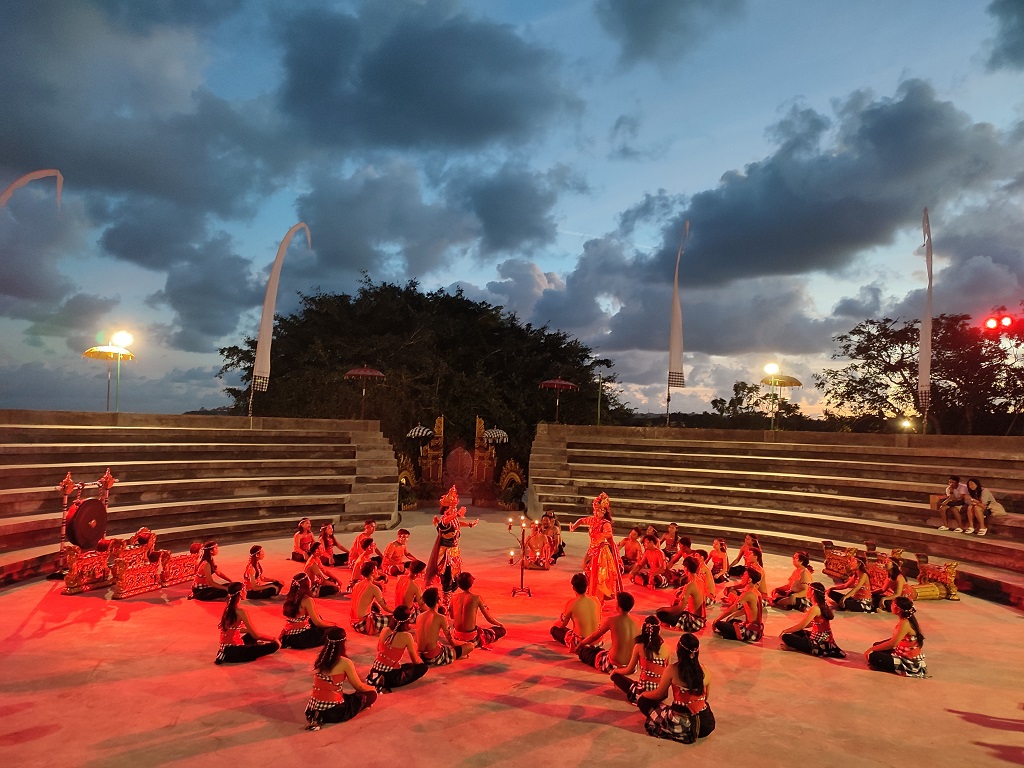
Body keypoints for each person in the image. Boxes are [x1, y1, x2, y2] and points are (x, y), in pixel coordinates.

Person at [637, 633, 715, 744]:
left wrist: (643, 695)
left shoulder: (672, 670)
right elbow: (706, 697)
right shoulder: (704, 670)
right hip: (707, 724)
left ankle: (678, 726)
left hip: (685, 725)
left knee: (645, 702)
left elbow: (659, 694)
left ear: (679, 650)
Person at [304, 627, 377, 730]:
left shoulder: (319, 658)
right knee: (370, 695)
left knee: (345, 696)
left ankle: (318, 716)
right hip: (334, 711)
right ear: (343, 642)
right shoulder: (345, 662)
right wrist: (371, 688)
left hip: (313, 708)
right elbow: (358, 686)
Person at [424, 487, 479, 607]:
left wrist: (470, 524)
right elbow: (446, 522)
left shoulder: (453, 519)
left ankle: (449, 599)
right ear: (446, 509)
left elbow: (458, 524)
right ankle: (445, 603)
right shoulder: (445, 520)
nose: (454, 510)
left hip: (454, 552)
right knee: (447, 578)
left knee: (455, 578)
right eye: (452, 508)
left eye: (455, 508)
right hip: (446, 554)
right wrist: (457, 514)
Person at [569, 492, 623, 602]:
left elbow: (608, 534)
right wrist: (573, 527)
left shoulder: (605, 523)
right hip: (593, 549)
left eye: (599, 510)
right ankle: (591, 594)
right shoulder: (592, 520)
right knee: (586, 568)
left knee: (599, 576)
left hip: (602, 551)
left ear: (604, 511)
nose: (596, 512)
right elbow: (581, 520)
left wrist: (599, 537)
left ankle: (598, 599)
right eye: (595, 510)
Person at [365, 606, 428, 693]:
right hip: (389, 676)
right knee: (422, 667)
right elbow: (415, 660)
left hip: (375, 670)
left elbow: (378, 648)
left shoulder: (385, 630)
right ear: (407, 620)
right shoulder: (407, 636)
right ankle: (385, 681)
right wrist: (420, 658)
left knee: (405, 666)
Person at [214, 582, 280, 664]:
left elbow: (232, 629)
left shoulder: (228, 609)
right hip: (234, 652)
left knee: (250, 636)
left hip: (225, 649)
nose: (246, 592)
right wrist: (273, 639)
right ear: (241, 593)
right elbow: (255, 635)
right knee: (274, 645)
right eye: (245, 590)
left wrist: (248, 631)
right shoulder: (240, 612)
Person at [611, 616, 670, 704]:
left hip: (643, 692)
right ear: (658, 630)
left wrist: (615, 670)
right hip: (661, 693)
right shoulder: (667, 648)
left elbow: (629, 670)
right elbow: (666, 673)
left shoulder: (639, 647)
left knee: (615, 676)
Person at [779, 582, 846, 658]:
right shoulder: (822, 605)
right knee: (797, 632)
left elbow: (802, 625)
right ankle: (797, 646)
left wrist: (785, 631)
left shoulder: (815, 608)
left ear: (813, 592)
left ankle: (797, 648)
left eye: (808, 590)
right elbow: (810, 624)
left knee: (786, 637)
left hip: (819, 644)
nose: (806, 592)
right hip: (822, 639)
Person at [576, 592, 639, 673]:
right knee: (598, 650)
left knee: (584, 651)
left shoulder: (611, 621)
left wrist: (580, 644)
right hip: (632, 667)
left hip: (612, 665)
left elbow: (594, 636)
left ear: (618, 605)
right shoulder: (638, 622)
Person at [865, 597, 928, 678]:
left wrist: (870, 650)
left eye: (893, 604)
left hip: (908, 661)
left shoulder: (905, 623)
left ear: (898, 609)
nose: (891, 605)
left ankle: (888, 666)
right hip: (901, 652)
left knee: (873, 656)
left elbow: (893, 644)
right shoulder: (907, 620)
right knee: (876, 645)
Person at [416, 587, 473, 666]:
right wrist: (464, 644)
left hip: (420, 656)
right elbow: (452, 642)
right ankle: (456, 655)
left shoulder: (420, 616)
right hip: (433, 657)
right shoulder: (440, 617)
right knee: (470, 646)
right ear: (439, 600)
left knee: (441, 645)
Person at [280, 573, 337, 649]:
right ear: (306, 584)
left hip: (288, 636)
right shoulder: (307, 600)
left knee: (315, 619)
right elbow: (317, 622)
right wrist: (332, 624)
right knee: (335, 631)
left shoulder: (290, 597)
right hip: (301, 638)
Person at [451, 572, 506, 648]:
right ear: (471, 583)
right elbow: (488, 618)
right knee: (501, 631)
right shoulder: (476, 598)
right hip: (470, 638)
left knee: (479, 629)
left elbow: (452, 616)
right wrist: (500, 624)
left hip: (457, 635)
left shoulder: (453, 597)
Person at [550, 572, 600, 652]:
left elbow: (562, 625)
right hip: (598, 641)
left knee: (554, 629)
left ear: (573, 588)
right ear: (587, 586)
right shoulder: (596, 600)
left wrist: (556, 624)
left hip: (581, 642)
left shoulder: (571, 603)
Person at [712, 568, 764, 643]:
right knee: (731, 620)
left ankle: (733, 635)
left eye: (744, 575)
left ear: (749, 580)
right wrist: (734, 615)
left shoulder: (748, 593)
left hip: (752, 632)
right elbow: (749, 609)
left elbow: (732, 609)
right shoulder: (756, 592)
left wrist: (716, 620)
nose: (742, 577)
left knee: (718, 624)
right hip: (757, 629)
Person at [656, 556, 706, 632]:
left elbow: (680, 609)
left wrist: (662, 609)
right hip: (701, 619)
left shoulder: (689, 586)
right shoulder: (701, 581)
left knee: (660, 613)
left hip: (693, 622)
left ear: (686, 568)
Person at [350, 562, 391, 636]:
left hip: (354, 623)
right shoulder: (374, 588)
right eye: (376, 570)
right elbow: (386, 608)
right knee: (395, 620)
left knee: (375, 608)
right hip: (363, 624)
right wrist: (396, 612)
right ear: (372, 572)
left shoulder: (357, 584)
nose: (378, 572)